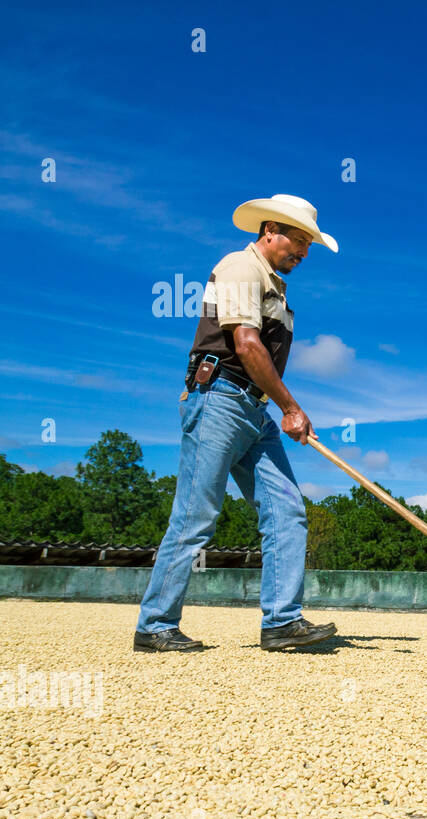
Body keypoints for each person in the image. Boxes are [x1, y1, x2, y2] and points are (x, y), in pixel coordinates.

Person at [134, 194, 339, 652]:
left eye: (308, 245)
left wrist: (277, 406)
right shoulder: (239, 267)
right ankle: (154, 625)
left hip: (255, 410)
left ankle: (282, 623)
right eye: (300, 241)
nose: (304, 253)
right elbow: (246, 345)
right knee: (196, 515)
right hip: (220, 400)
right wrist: (291, 408)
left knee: (287, 509)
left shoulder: (278, 289)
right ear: (270, 230)